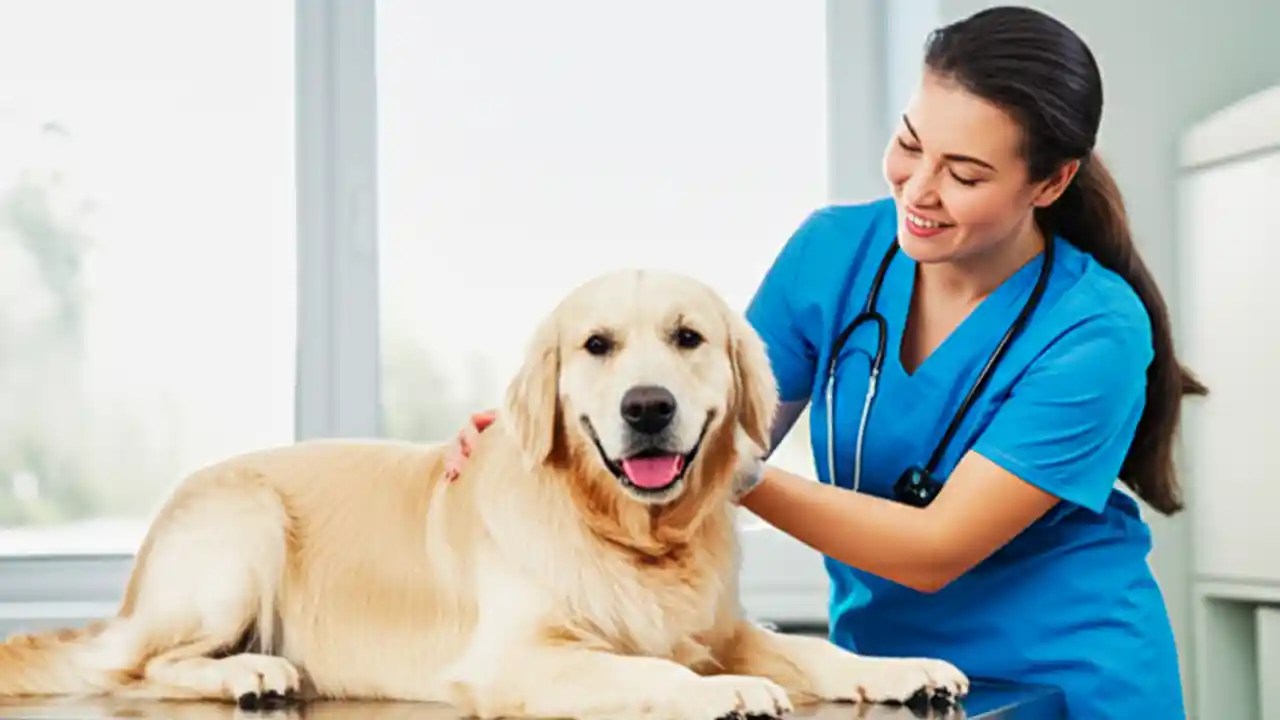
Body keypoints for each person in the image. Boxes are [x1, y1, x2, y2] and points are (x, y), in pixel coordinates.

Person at [441, 6, 1206, 718]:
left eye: (965, 174)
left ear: (1052, 181)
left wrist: (726, 469)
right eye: (910, 144)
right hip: (889, 680)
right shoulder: (834, 253)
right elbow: (708, 418)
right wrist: (550, 439)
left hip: (1067, 683)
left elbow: (933, 548)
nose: (921, 189)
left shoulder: (1094, 331)